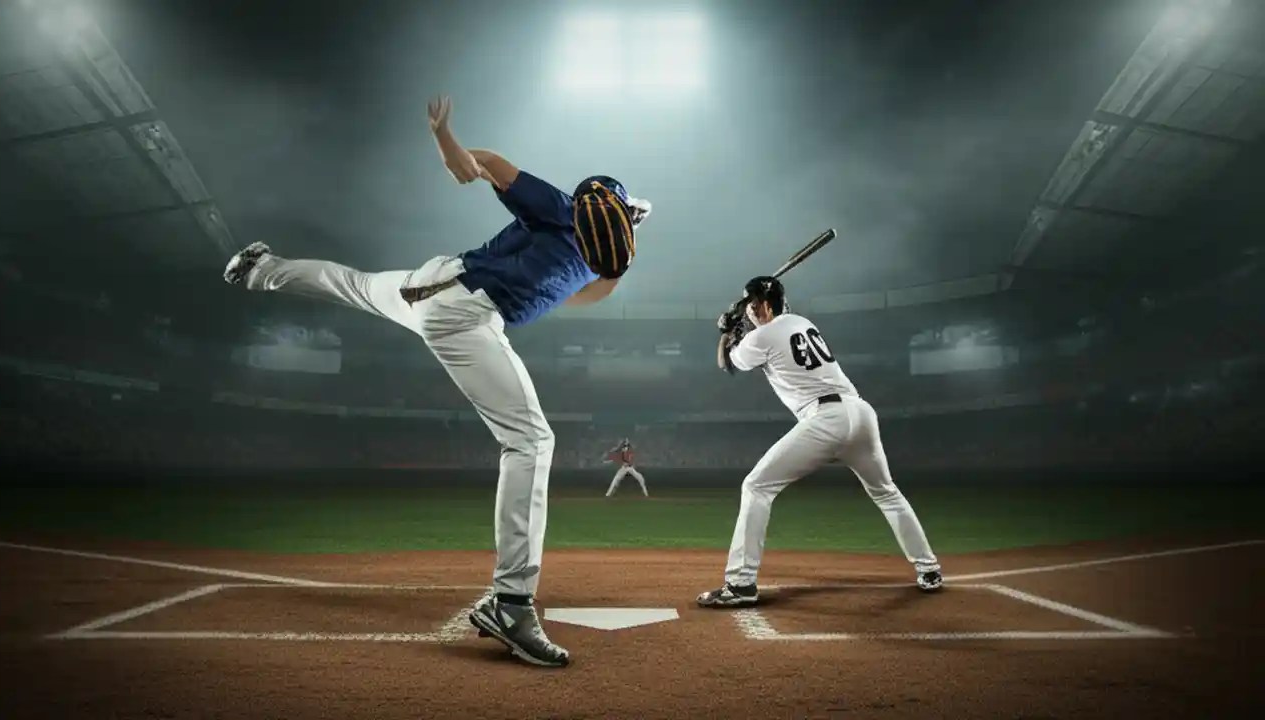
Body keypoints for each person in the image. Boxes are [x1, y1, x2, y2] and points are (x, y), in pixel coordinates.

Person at [222, 95, 651, 666]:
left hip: (427, 287)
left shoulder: (595, 256)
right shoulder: (559, 206)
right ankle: (512, 603)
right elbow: (477, 166)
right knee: (532, 441)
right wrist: (445, 137)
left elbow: (594, 291)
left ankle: (260, 271)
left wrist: (622, 256)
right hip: (464, 310)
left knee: (350, 283)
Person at [696, 277, 941, 608]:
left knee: (757, 487)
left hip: (825, 418)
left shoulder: (764, 333)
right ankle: (929, 569)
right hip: (860, 412)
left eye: (754, 307)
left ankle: (741, 583)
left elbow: (728, 364)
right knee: (887, 493)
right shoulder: (802, 323)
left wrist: (726, 330)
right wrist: (740, 328)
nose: (752, 313)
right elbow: (763, 345)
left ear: (764, 306)